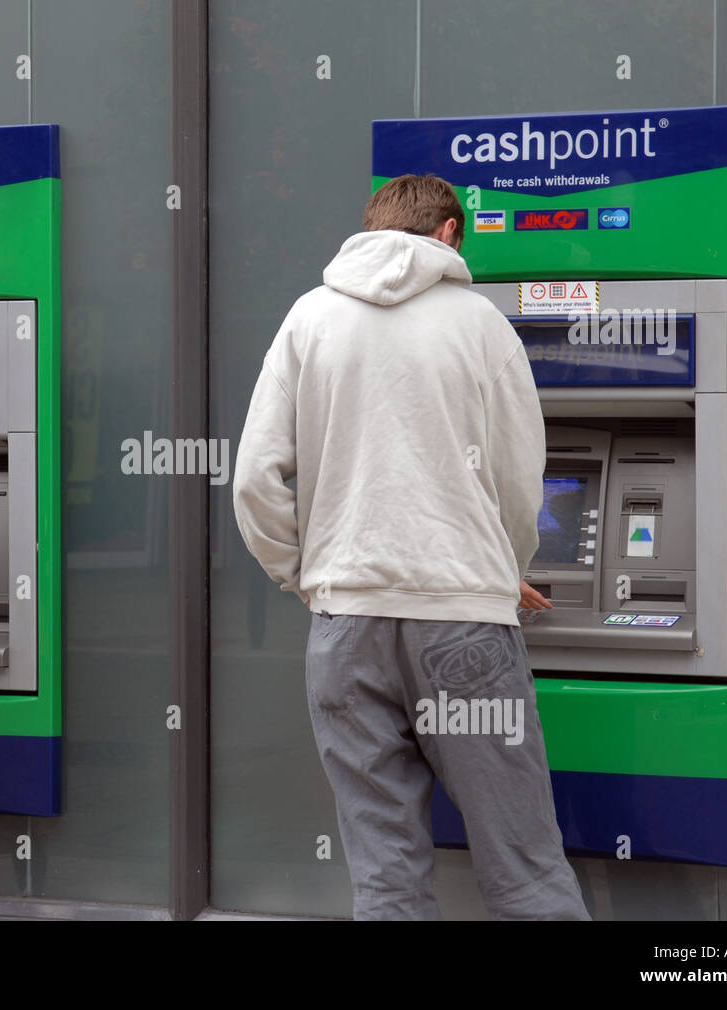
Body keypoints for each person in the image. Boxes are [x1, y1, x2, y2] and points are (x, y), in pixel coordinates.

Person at [232, 173, 589, 920]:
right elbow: (520, 477)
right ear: (451, 235)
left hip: (346, 630)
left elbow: (255, 480)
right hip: (463, 627)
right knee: (522, 865)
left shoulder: (310, 318)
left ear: (370, 229)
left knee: (386, 878)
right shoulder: (481, 323)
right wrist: (502, 571)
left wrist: (308, 579)